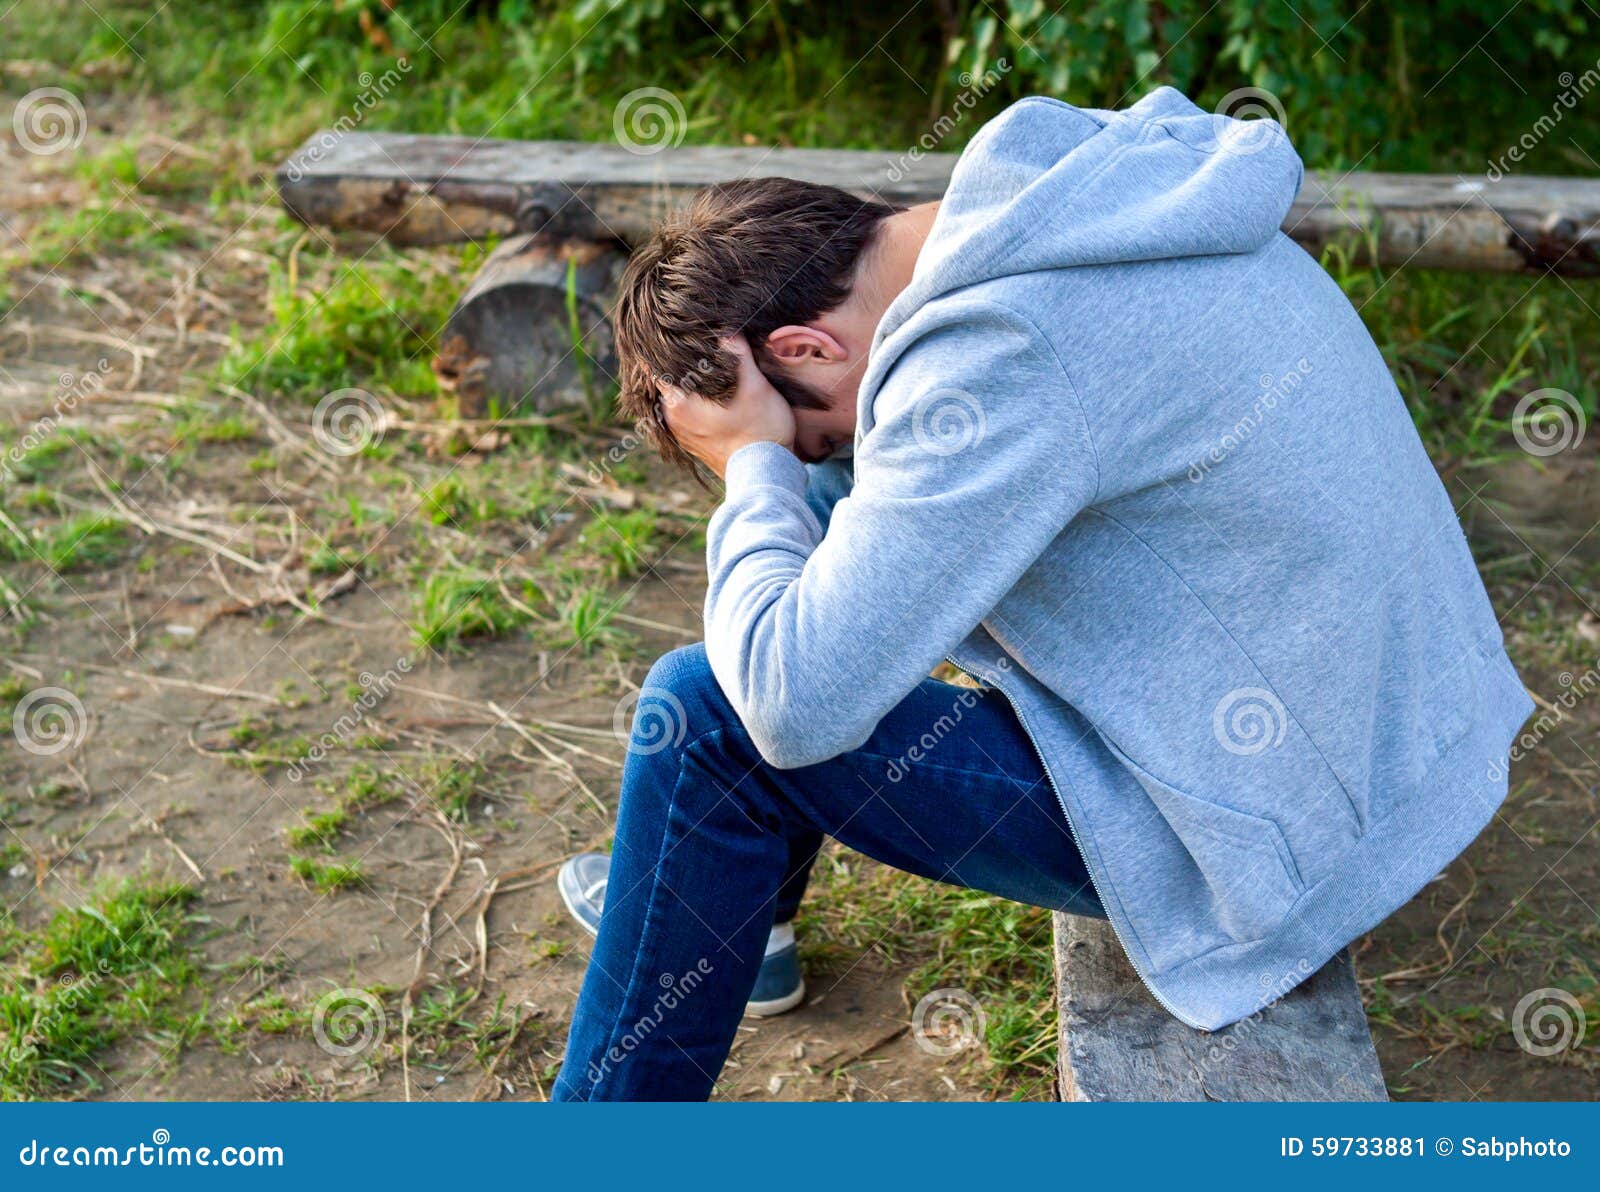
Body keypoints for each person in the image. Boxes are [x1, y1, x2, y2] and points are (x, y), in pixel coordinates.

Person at [550, 88, 1532, 1101]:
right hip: (1389, 730)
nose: (814, 456)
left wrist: (758, 467)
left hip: (1283, 830)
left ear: (803, 347)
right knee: (836, 515)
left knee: (712, 717)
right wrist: (794, 458)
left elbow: (793, 706)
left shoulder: (998, 355)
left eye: (806, 428)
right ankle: (727, 913)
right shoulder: (1063, 205)